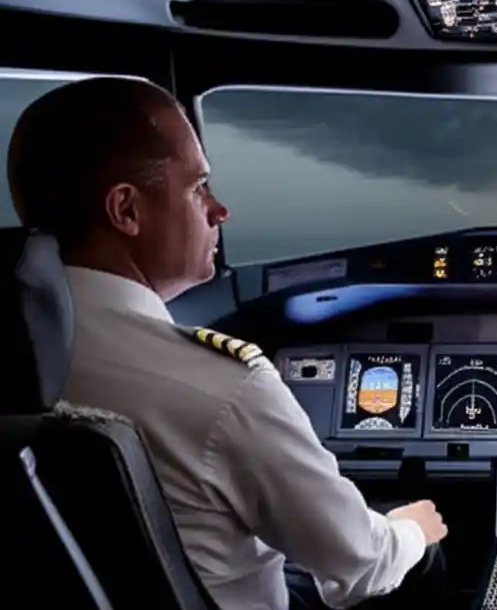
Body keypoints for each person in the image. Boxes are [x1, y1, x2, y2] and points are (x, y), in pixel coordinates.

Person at [6, 77, 447, 610]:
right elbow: (359, 562)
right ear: (126, 210)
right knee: (413, 554)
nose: (220, 211)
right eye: (199, 187)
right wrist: (411, 531)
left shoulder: (17, 356)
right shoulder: (223, 389)